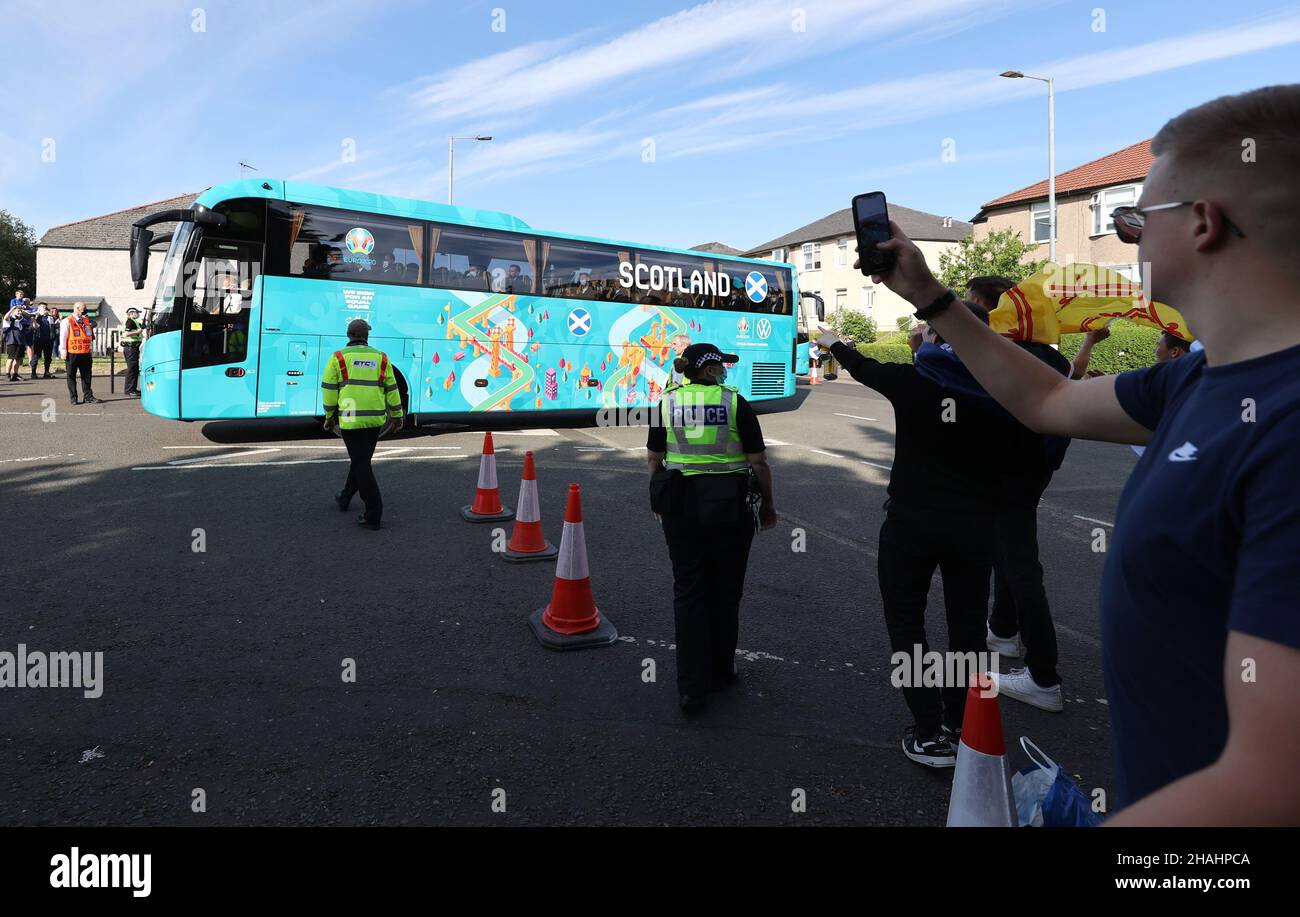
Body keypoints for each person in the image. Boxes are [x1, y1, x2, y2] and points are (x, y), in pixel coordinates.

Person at [863, 84, 1300, 824]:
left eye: (1131, 220)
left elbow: (1270, 783)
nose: (1124, 240)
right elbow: (1048, 401)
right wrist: (932, 299)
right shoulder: (1197, 374)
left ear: (1202, 223)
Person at [817, 306, 1032, 766]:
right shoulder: (1003, 388)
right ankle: (960, 721)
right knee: (967, 627)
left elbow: (862, 366)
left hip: (911, 524)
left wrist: (833, 340)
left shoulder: (913, 381)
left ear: (937, 335)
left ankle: (929, 728)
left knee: (907, 622)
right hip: (974, 527)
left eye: (927, 328)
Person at [960, 275, 1073, 711]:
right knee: (1007, 552)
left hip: (1008, 472)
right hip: (1034, 469)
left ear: (994, 310)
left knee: (1021, 565)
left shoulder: (1005, 356)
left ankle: (1044, 678)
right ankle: (1004, 631)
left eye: (974, 304)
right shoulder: (1049, 355)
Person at [647, 343, 776, 715]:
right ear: (707, 370)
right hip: (729, 508)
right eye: (721, 365)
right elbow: (759, 463)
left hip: (681, 507)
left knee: (688, 591)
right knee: (726, 590)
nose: (725, 371)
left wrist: (658, 502)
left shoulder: (667, 402)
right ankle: (721, 671)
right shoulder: (735, 403)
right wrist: (768, 505)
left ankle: (691, 688)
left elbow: (655, 458)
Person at [322, 319, 404, 530]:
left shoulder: (338, 357)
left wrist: (329, 417)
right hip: (375, 419)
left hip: (350, 419)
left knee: (361, 463)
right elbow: (392, 389)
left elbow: (330, 389)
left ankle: (373, 514)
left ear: (348, 335)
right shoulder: (381, 357)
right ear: (366, 336)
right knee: (361, 459)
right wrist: (397, 416)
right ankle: (345, 496)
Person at [61, 301, 96, 405]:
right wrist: (62, 350)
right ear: (77, 308)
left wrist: (90, 349)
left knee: (87, 375)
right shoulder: (67, 321)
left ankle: (88, 396)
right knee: (71, 375)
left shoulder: (86, 320)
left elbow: (88, 336)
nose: (85, 311)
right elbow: (63, 337)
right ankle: (73, 398)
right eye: (83, 309)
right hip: (72, 352)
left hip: (85, 352)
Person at [121, 307, 145, 397]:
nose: (138, 314)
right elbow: (126, 334)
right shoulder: (129, 321)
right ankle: (129, 390)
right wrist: (138, 331)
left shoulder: (134, 322)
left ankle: (133, 389)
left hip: (133, 347)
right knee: (131, 369)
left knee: (134, 368)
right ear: (131, 313)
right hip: (130, 347)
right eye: (136, 312)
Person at [29, 303, 56, 379]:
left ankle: (46, 372)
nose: (45, 308)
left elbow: (53, 327)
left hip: (49, 339)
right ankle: (33, 373)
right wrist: (35, 318)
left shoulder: (50, 317)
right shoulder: (36, 316)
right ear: (39, 308)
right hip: (38, 339)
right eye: (43, 307)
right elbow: (34, 327)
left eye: (45, 307)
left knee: (48, 357)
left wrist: (53, 337)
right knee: (36, 356)